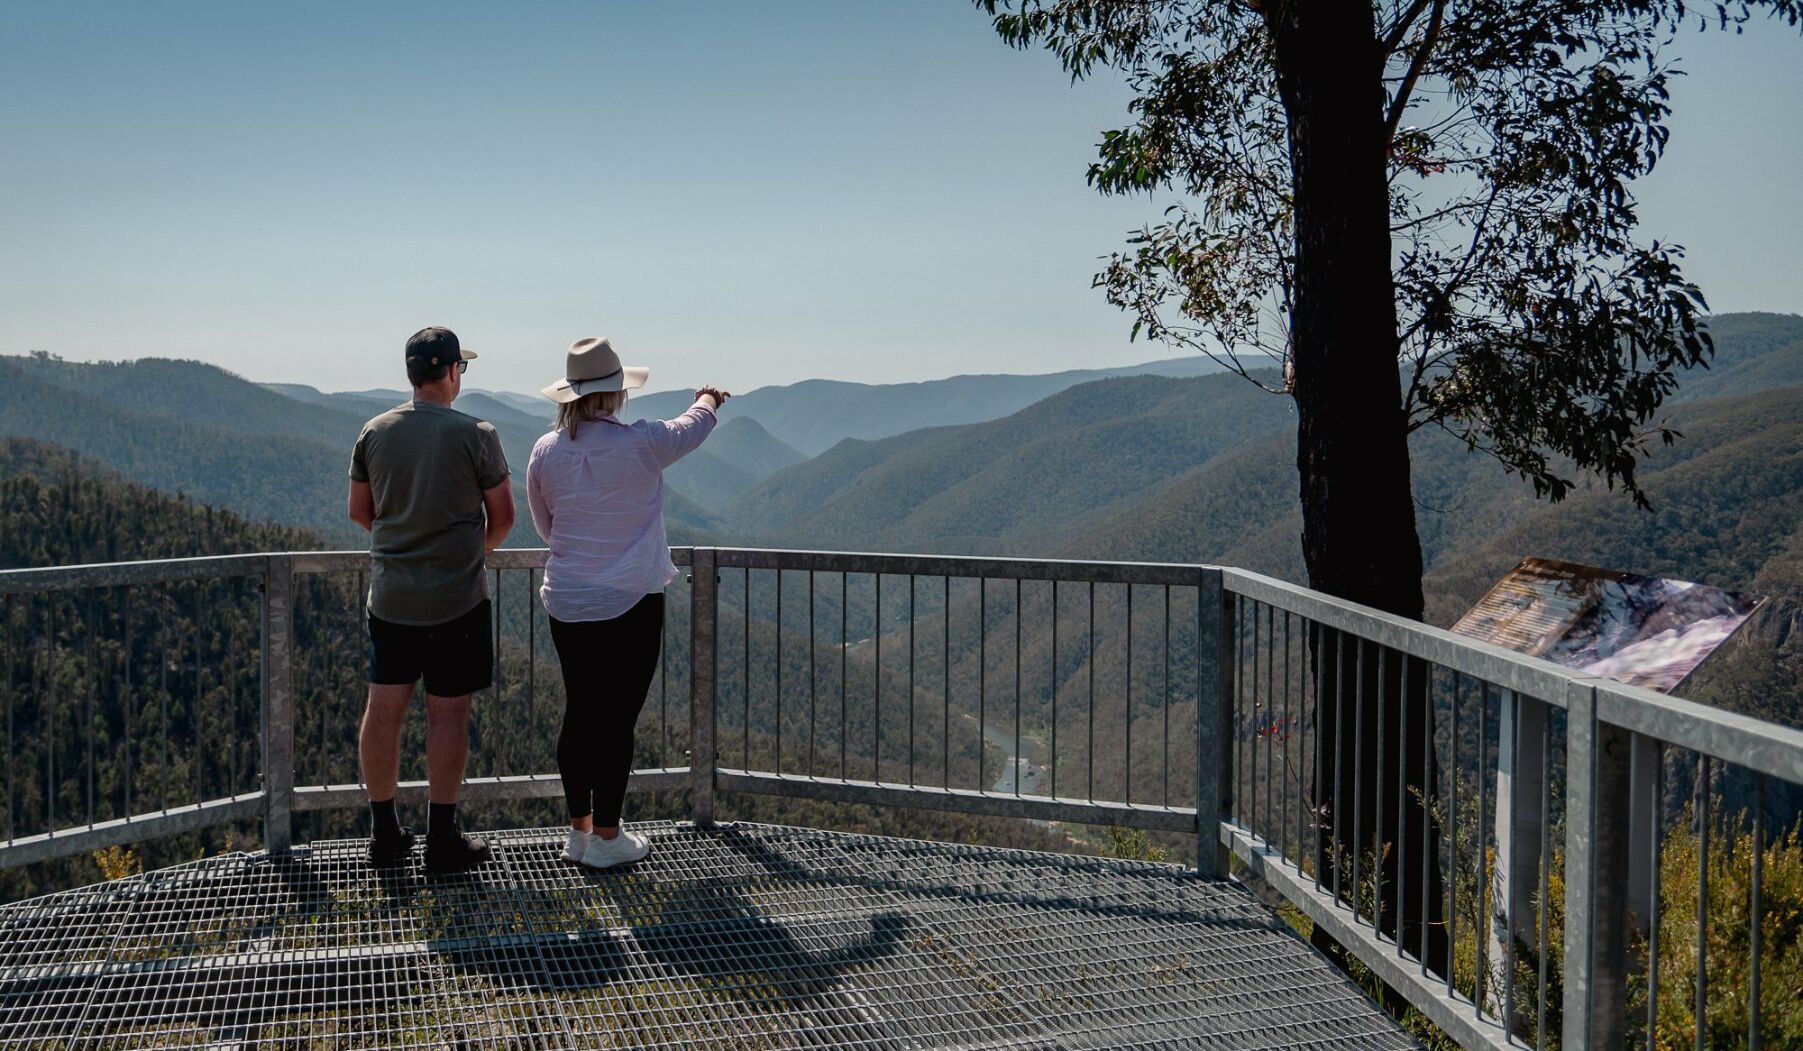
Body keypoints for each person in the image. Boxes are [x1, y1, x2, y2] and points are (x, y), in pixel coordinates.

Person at [527, 336, 727, 869]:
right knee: (616, 720)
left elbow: (546, 526)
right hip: (632, 601)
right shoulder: (644, 442)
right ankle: (609, 840)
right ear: (616, 392)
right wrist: (708, 397)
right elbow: (695, 426)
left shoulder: (545, 451)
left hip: (567, 600)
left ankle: (578, 831)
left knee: (580, 710)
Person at [347, 326, 515, 873]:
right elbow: (505, 518)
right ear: (449, 372)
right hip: (457, 602)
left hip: (391, 599)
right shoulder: (479, 434)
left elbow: (359, 512)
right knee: (448, 716)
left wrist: (402, 546)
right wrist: (468, 551)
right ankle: (442, 839)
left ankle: (384, 833)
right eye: (460, 368)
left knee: (384, 711)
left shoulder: (374, 431)